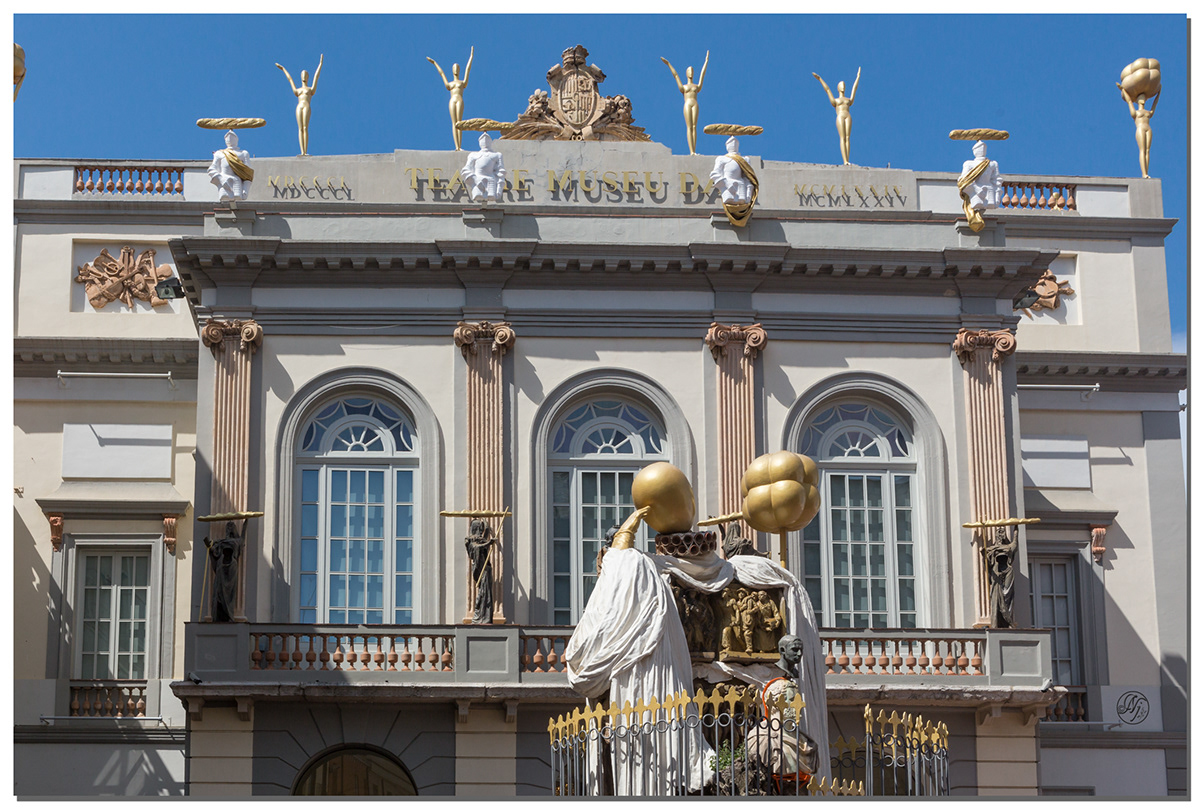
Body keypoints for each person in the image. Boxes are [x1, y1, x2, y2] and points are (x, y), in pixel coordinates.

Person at [661, 51, 709, 155]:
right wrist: (668, 64)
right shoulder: (684, 87)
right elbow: (675, 76)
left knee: (695, 126)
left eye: (692, 71)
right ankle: (691, 151)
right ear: (686, 73)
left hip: (695, 104)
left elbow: (703, 74)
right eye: (689, 71)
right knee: (689, 127)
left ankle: (694, 151)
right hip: (687, 104)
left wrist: (706, 61)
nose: (691, 72)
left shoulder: (697, 86)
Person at [428, 47, 474, 151]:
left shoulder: (462, 83)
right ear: (452, 70)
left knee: (459, 123)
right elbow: (441, 73)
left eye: (457, 68)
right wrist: (435, 63)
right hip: (452, 100)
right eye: (454, 68)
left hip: (459, 100)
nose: (456, 69)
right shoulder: (450, 84)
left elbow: (468, 69)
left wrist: (471, 56)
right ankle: (457, 147)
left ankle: (460, 146)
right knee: (454, 123)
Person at [276, 55, 323, 156]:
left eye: (305, 75)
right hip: (299, 107)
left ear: (307, 77)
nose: (304, 76)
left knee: (305, 127)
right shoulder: (298, 90)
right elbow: (290, 80)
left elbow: (316, 77)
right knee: (300, 128)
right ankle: (302, 152)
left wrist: (320, 64)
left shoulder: (310, 90)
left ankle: (305, 152)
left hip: (306, 106)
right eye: (302, 74)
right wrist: (283, 69)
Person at [812, 68, 861, 165]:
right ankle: (845, 161)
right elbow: (827, 90)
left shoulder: (848, 100)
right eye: (841, 86)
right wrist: (820, 79)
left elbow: (854, 89)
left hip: (848, 115)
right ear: (838, 88)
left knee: (848, 137)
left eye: (844, 86)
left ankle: (847, 160)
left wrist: (858, 77)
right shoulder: (835, 101)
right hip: (840, 116)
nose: (843, 87)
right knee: (842, 137)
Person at [709, 136, 759, 227]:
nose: (733, 144)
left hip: (741, 186)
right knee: (729, 199)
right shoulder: (721, 159)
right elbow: (714, 174)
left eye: (735, 143)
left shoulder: (745, 159)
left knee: (742, 201)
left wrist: (749, 190)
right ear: (727, 146)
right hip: (728, 186)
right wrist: (726, 183)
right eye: (730, 143)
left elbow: (747, 177)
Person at [957, 140, 1001, 232]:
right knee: (977, 204)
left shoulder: (992, 164)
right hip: (975, 191)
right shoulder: (969, 164)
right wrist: (976, 189)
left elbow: (996, 180)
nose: (982, 150)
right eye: (979, 148)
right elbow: (964, 180)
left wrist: (997, 195)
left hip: (989, 190)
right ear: (974, 151)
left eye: (984, 148)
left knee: (989, 204)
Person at [204, 521, 244, 622]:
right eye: (228, 528)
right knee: (218, 591)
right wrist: (210, 547)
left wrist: (245, 524)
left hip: (231, 569)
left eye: (231, 527)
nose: (229, 529)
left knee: (229, 592)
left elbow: (242, 540)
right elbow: (215, 553)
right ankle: (218, 615)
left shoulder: (237, 541)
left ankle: (228, 615)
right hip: (221, 568)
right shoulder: (220, 541)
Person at [1118, 83, 1158, 179]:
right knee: (1142, 150)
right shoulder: (1135, 113)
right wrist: (1122, 89)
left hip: (1148, 128)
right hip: (1140, 128)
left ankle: (1146, 172)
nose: (1143, 99)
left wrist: (1158, 93)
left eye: (1144, 98)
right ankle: (1143, 173)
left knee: (1148, 151)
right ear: (1138, 100)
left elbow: (1155, 104)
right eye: (1141, 97)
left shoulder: (1148, 112)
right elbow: (1129, 102)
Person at [465, 518, 497, 624]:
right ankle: (479, 615)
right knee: (482, 591)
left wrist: (485, 521)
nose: (480, 530)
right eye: (479, 527)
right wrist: (488, 543)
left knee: (487, 592)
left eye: (481, 528)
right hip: (479, 568)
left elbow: (486, 533)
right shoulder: (470, 540)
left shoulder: (481, 539)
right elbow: (475, 548)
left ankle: (486, 615)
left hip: (486, 568)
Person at [207, 130, 254, 202]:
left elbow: (248, 174)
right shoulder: (219, 153)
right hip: (224, 180)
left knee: (238, 201)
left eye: (233, 137)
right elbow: (211, 169)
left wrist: (245, 189)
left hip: (236, 182)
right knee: (224, 199)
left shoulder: (243, 153)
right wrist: (221, 179)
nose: (230, 139)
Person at [460, 133, 507, 203]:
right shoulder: (473, 155)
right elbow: (466, 170)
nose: (484, 141)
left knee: (491, 196)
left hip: (491, 180)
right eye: (482, 140)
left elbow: (501, 172)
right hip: (478, 181)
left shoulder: (497, 155)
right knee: (477, 195)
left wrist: (499, 190)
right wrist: (475, 179)